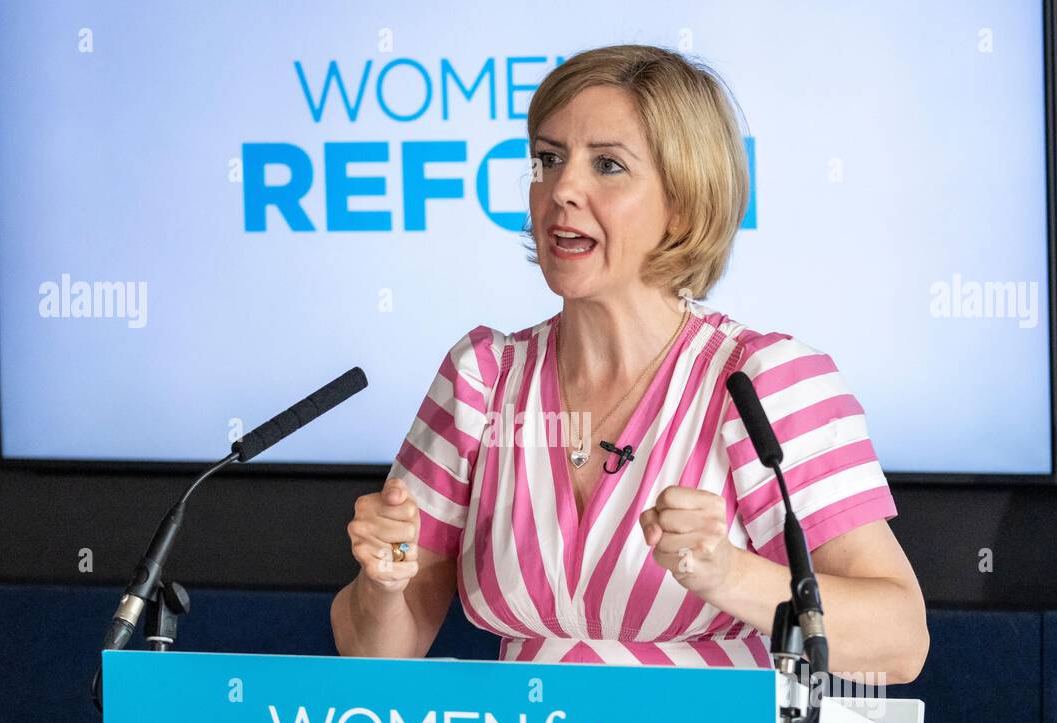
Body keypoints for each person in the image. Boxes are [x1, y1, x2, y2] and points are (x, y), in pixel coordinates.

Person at [332, 44, 928, 682]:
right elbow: (378, 657)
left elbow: (899, 643)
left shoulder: (760, 382)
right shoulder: (482, 380)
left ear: (683, 202)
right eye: (548, 159)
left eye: (608, 165)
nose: (563, 189)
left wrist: (731, 574)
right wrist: (385, 583)